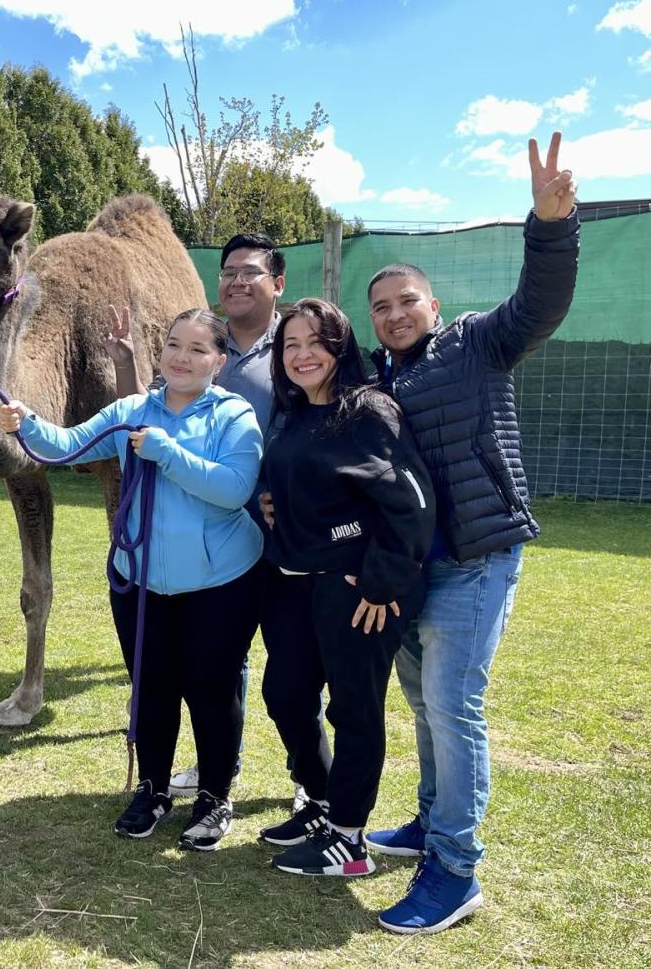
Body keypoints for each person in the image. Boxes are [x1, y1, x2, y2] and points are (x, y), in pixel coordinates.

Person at [363, 134, 580, 933]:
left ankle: (454, 871)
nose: (391, 316)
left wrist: (552, 226)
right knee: (422, 703)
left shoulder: (475, 343)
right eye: (379, 307)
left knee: (453, 704)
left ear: (434, 307)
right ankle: (428, 823)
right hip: (417, 570)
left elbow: (540, 304)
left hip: (478, 559)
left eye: (404, 302)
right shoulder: (378, 376)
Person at [0, 309, 262, 851]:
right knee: (153, 688)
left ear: (218, 359)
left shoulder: (235, 416)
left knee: (212, 692)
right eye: (172, 345)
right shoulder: (132, 410)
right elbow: (63, 445)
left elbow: (234, 489)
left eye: (196, 349)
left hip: (219, 583)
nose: (181, 358)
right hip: (139, 582)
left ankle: (215, 796)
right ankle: (153, 789)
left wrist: (166, 452)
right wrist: (25, 422)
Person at [106, 235, 331, 807]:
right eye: (227, 271)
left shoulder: (296, 347)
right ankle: (217, 779)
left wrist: (296, 495)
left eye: (249, 272)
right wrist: (129, 362)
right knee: (212, 670)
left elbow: (324, 429)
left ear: (277, 282)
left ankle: (313, 786)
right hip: (217, 537)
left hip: (284, 532)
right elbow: (152, 419)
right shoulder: (201, 340)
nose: (234, 281)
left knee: (292, 674)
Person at [252, 298, 434, 878]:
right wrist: (271, 509)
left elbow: (411, 504)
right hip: (294, 583)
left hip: (356, 591)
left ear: (340, 345)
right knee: (284, 693)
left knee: (353, 710)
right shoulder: (293, 410)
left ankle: (349, 840)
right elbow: (293, 484)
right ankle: (323, 802)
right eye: (290, 345)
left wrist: (380, 583)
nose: (302, 355)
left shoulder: (369, 410)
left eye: (315, 342)